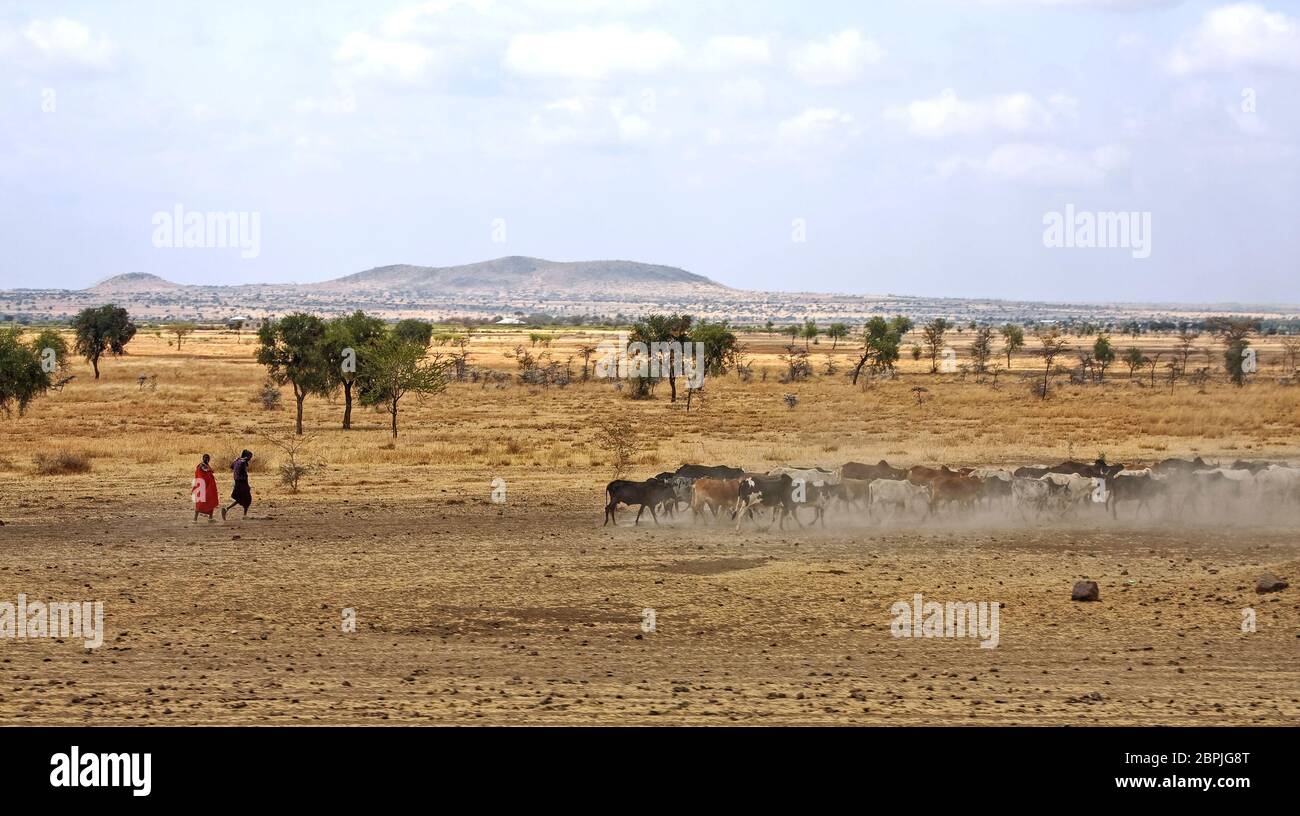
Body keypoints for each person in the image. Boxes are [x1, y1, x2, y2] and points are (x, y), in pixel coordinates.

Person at [222, 450, 254, 520]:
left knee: (242, 498)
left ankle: (228, 509)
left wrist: (237, 460)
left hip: (237, 482)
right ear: (246, 456)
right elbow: (244, 474)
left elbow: (231, 467)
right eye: (249, 457)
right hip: (242, 483)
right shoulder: (243, 462)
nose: (250, 459)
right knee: (247, 499)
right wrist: (247, 485)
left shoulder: (237, 461)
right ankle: (228, 509)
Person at [192, 454, 219, 522]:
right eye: (206, 458)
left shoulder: (204, 465)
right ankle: (195, 519)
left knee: (210, 501)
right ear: (203, 458)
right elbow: (205, 474)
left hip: (206, 486)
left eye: (208, 458)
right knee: (200, 503)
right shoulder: (202, 466)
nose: (207, 459)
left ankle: (210, 518)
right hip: (202, 486)